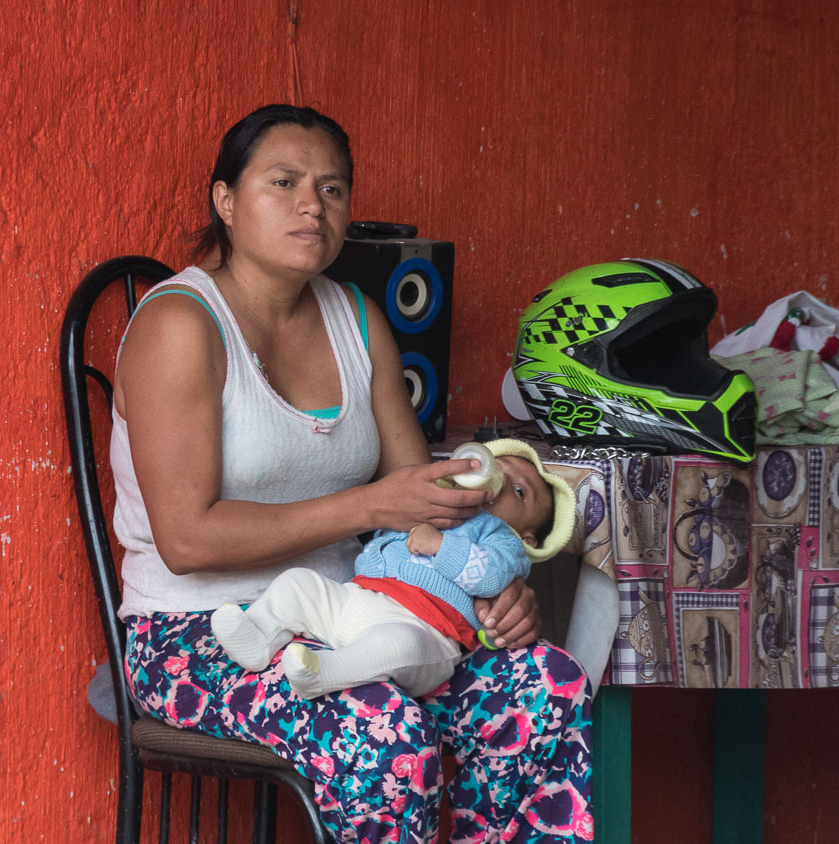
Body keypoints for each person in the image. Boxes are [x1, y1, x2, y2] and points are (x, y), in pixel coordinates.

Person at [109, 103, 593, 843]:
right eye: (284, 182)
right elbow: (187, 539)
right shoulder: (180, 325)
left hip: (366, 609)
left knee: (541, 686)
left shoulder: (359, 319)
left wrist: (499, 589)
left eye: (333, 189)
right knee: (382, 730)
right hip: (202, 631)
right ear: (226, 201)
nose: (313, 203)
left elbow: (422, 503)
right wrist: (367, 507)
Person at [210, 439, 578, 699]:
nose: (502, 481)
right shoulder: (438, 504)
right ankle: (259, 632)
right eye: (498, 468)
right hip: (359, 597)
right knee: (298, 584)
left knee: (396, 646)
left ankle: (326, 671)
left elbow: (493, 576)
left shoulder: (505, 540)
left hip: (424, 629)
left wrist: (442, 546)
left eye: (519, 493)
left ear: (529, 536)